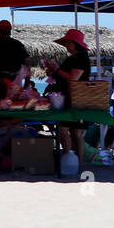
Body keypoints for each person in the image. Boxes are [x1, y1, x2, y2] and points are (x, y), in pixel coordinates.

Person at [44, 29, 92, 157]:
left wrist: (56, 70)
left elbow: (73, 78)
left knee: (70, 130)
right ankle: (73, 159)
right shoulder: (75, 58)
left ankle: (71, 159)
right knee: (72, 130)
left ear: (75, 44)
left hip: (76, 98)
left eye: (68, 42)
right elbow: (65, 75)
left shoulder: (81, 58)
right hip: (71, 98)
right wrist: (54, 72)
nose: (66, 45)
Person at [0, 19, 30, 86]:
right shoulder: (18, 44)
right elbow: (27, 64)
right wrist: (26, 85)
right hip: (15, 84)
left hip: (0, 84)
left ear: (0, 32)